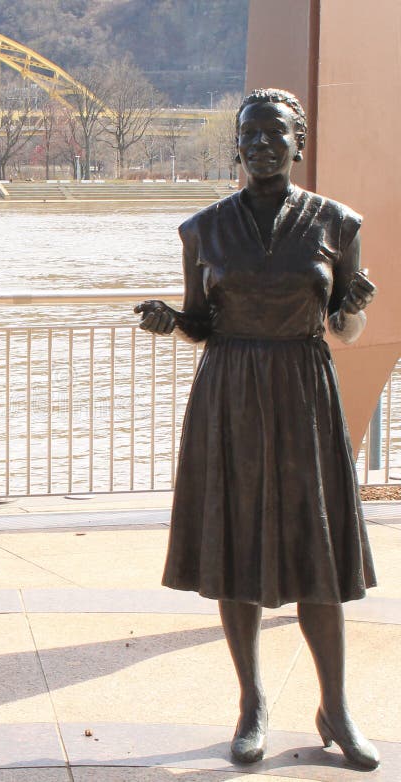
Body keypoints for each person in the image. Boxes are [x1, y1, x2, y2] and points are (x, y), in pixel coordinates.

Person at [135, 88, 379, 769]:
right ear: (237, 145)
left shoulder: (337, 223)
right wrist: (171, 321)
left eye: (276, 133)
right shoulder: (203, 229)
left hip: (304, 390)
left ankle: (335, 706)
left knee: (317, 552)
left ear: (299, 142)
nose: (263, 145)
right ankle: (252, 703)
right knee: (236, 545)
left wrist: (354, 306)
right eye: (250, 135)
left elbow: (344, 328)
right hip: (231, 389)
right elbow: (201, 322)